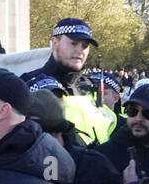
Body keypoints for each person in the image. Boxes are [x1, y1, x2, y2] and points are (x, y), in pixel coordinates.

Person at [21, 18, 115, 146]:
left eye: (85, 45)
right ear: (55, 43)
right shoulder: (29, 83)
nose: (80, 50)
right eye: (74, 43)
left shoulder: (91, 86)